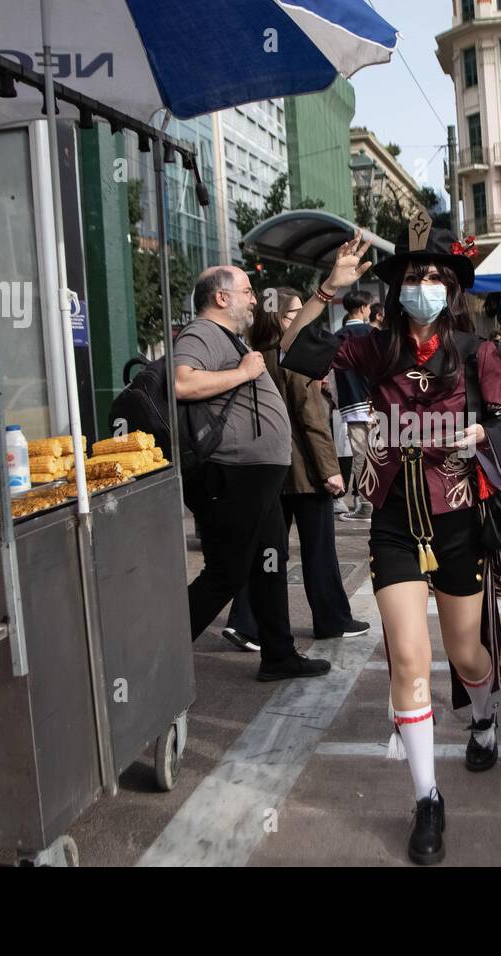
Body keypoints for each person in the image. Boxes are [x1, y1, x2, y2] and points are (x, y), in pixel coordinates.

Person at [279, 220, 501, 866]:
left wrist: (471, 436)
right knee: (410, 663)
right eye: (413, 277)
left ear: (452, 290)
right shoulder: (370, 347)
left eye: (435, 278)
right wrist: (328, 291)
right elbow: (296, 356)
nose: (423, 287)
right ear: (394, 287)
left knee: (466, 653)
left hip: (456, 519)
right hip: (393, 519)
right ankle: (427, 797)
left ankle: (482, 715)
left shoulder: (477, 352)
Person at [175, 266, 331, 681]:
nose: (254, 300)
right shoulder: (201, 333)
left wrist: (328, 289)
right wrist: (244, 373)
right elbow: (182, 383)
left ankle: (278, 653)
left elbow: (294, 330)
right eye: (246, 291)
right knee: (226, 572)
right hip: (236, 473)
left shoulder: (227, 336)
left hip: (258, 475)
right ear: (221, 298)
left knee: (269, 561)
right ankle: (159, 656)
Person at [221, 288, 370, 647]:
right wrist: (331, 470)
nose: (304, 321)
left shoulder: (254, 356)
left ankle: (245, 621)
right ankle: (332, 618)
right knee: (318, 548)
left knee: (267, 548)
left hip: (269, 469)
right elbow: (311, 417)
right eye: (295, 315)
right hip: (304, 469)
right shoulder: (295, 357)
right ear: (279, 319)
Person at [335, 289, 376, 522]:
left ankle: (367, 505)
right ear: (362, 308)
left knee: (361, 457)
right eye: (369, 307)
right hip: (377, 404)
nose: (370, 310)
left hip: (351, 404)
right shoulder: (373, 334)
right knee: (383, 454)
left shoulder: (338, 337)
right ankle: (382, 504)